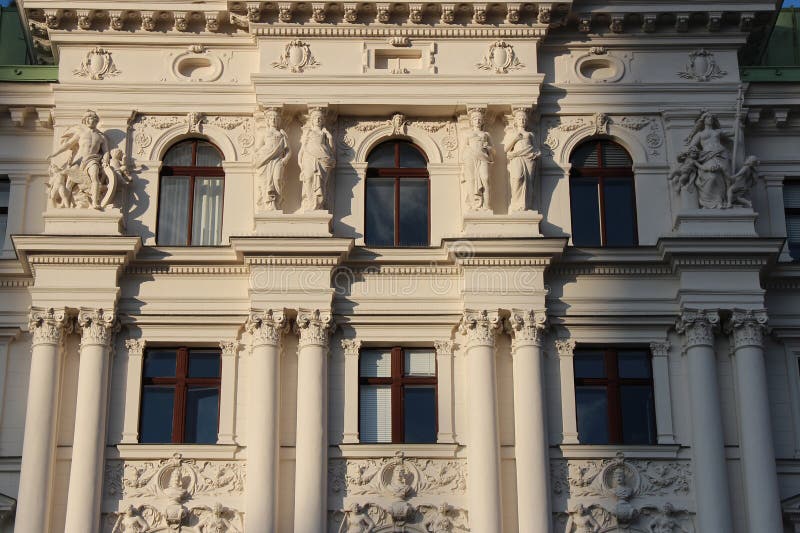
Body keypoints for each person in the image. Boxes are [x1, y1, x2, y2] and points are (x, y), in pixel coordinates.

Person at [47, 109, 110, 209]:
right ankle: (66, 204)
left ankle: (94, 201)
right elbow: (68, 145)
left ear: (96, 121)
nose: (91, 121)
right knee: (69, 184)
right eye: (89, 119)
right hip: (78, 160)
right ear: (85, 121)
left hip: (92, 160)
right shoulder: (81, 134)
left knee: (95, 178)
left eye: (93, 119)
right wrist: (54, 154)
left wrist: (106, 159)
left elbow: (106, 151)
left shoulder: (101, 137)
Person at [685, 111, 732, 209]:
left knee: (725, 178)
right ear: (703, 120)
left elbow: (732, 133)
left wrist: (739, 122)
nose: (710, 119)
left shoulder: (718, 132)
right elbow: (691, 147)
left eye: (711, 117)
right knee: (712, 176)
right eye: (708, 117)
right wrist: (693, 154)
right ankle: (711, 202)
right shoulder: (700, 134)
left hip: (722, 154)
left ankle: (725, 200)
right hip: (707, 156)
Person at [254, 108, 291, 211]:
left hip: (278, 160)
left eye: (276, 118)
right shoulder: (263, 133)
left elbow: (289, 150)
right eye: (271, 118)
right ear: (267, 120)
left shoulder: (282, 134)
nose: (273, 120)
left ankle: (277, 203)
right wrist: (265, 154)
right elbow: (258, 149)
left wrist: (285, 160)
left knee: (277, 179)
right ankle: (269, 205)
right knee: (266, 182)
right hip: (266, 161)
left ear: (279, 120)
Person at [298, 107, 335, 211]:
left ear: (322, 120)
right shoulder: (308, 132)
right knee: (309, 178)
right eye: (315, 118)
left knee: (321, 182)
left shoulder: (324, 133)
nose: (318, 120)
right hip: (309, 157)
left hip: (322, 158)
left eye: (320, 118)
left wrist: (330, 136)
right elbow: (302, 148)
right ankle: (310, 203)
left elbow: (331, 149)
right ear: (312, 120)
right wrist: (300, 163)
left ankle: (318, 204)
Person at [505, 109, 540, 212]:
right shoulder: (512, 133)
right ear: (515, 121)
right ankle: (516, 204)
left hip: (529, 159)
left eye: (524, 119)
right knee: (517, 178)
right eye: (520, 119)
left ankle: (526, 206)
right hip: (517, 158)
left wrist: (536, 155)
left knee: (528, 181)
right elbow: (506, 149)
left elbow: (537, 149)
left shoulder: (530, 134)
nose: (522, 121)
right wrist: (515, 139)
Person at [461, 108, 495, 211]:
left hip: (483, 158)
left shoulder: (486, 134)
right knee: (471, 180)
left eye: (479, 119)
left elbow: (493, 150)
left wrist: (487, 148)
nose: (477, 121)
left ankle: (486, 206)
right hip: (470, 157)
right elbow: (464, 148)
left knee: (485, 178)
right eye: (475, 119)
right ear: (471, 121)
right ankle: (474, 205)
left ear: (482, 121)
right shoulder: (467, 134)